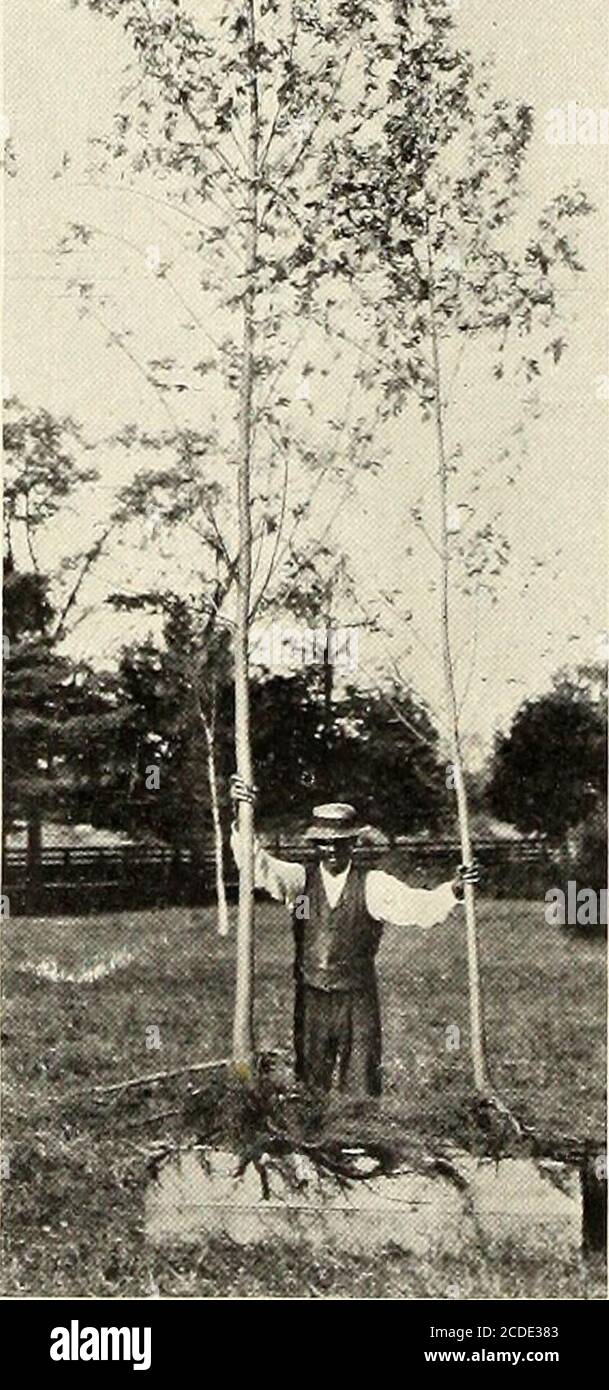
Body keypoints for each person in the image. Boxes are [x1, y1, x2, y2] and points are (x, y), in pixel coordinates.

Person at [230, 780, 478, 1098]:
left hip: (357, 1000)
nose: (332, 849)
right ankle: (312, 1144)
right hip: (312, 998)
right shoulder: (299, 880)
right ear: (315, 844)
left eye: (340, 842)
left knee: (361, 1083)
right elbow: (258, 867)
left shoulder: (372, 885)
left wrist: (454, 889)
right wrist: (242, 817)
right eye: (324, 842)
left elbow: (418, 907)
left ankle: (363, 1143)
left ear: (353, 844)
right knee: (309, 1083)